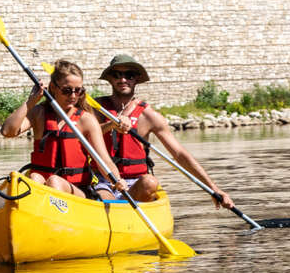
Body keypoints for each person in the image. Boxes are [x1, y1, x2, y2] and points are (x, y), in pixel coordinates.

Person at [94, 53, 234, 209]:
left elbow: (180, 155)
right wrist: (111, 125)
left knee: (150, 182)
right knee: (103, 198)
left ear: (137, 79)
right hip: (104, 180)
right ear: (110, 79)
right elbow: (81, 134)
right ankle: (115, 212)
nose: (123, 80)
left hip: (136, 184)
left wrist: (213, 189)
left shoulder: (150, 116)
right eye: (117, 75)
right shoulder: (96, 109)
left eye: (129, 75)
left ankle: (124, 213)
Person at [2, 59, 128, 199]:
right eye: (67, 90)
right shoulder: (39, 113)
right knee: (35, 177)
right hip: (43, 186)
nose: (73, 96)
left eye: (78, 91)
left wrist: (117, 180)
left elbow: (104, 160)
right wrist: (30, 102)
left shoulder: (86, 120)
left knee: (55, 182)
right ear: (54, 87)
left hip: (78, 191)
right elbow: (8, 131)